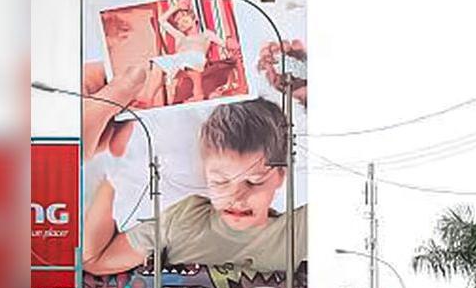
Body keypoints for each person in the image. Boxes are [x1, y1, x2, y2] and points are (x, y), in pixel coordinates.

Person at [82, 98, 309, 275]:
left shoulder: (300, 226)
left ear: (280, 175)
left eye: (254, 181)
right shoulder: (184, 219)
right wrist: (117, 174)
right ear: (205, 175)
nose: (236, 197)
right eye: (220, 182)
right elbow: (94, 259)